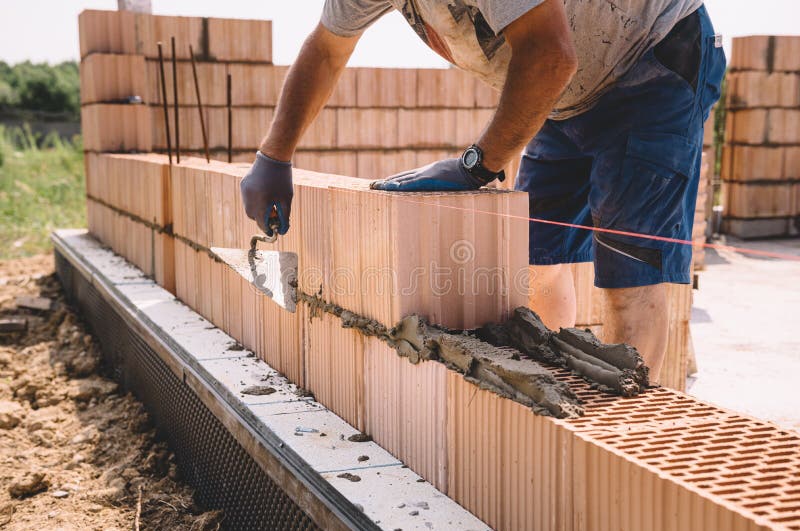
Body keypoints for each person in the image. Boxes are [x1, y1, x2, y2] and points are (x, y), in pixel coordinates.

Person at [239, 0, 726, 383]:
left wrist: (476, 165)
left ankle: (621, 446)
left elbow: (551, 55)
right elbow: (327, 49)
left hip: (652, 58)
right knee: (533, 261)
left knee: (628, 280)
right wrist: (274, 155)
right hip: (569, 89)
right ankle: (554, 390)